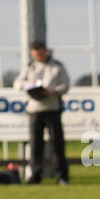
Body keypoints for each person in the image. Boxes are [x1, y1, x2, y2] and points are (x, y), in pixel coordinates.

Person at [13, 39, 70, 185]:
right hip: (34, 110)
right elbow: (17, 83)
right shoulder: (29, 67)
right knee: (35, 144)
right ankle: (35, 176)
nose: (39, 55)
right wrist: (29, 86)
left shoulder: (57, 66)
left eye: (41, 52)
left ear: (46, 51)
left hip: (52, 108)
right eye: (36, 53)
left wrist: (53, 91)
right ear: (32, 52)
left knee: (57, 143)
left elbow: (65, 85)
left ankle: (62, 176)